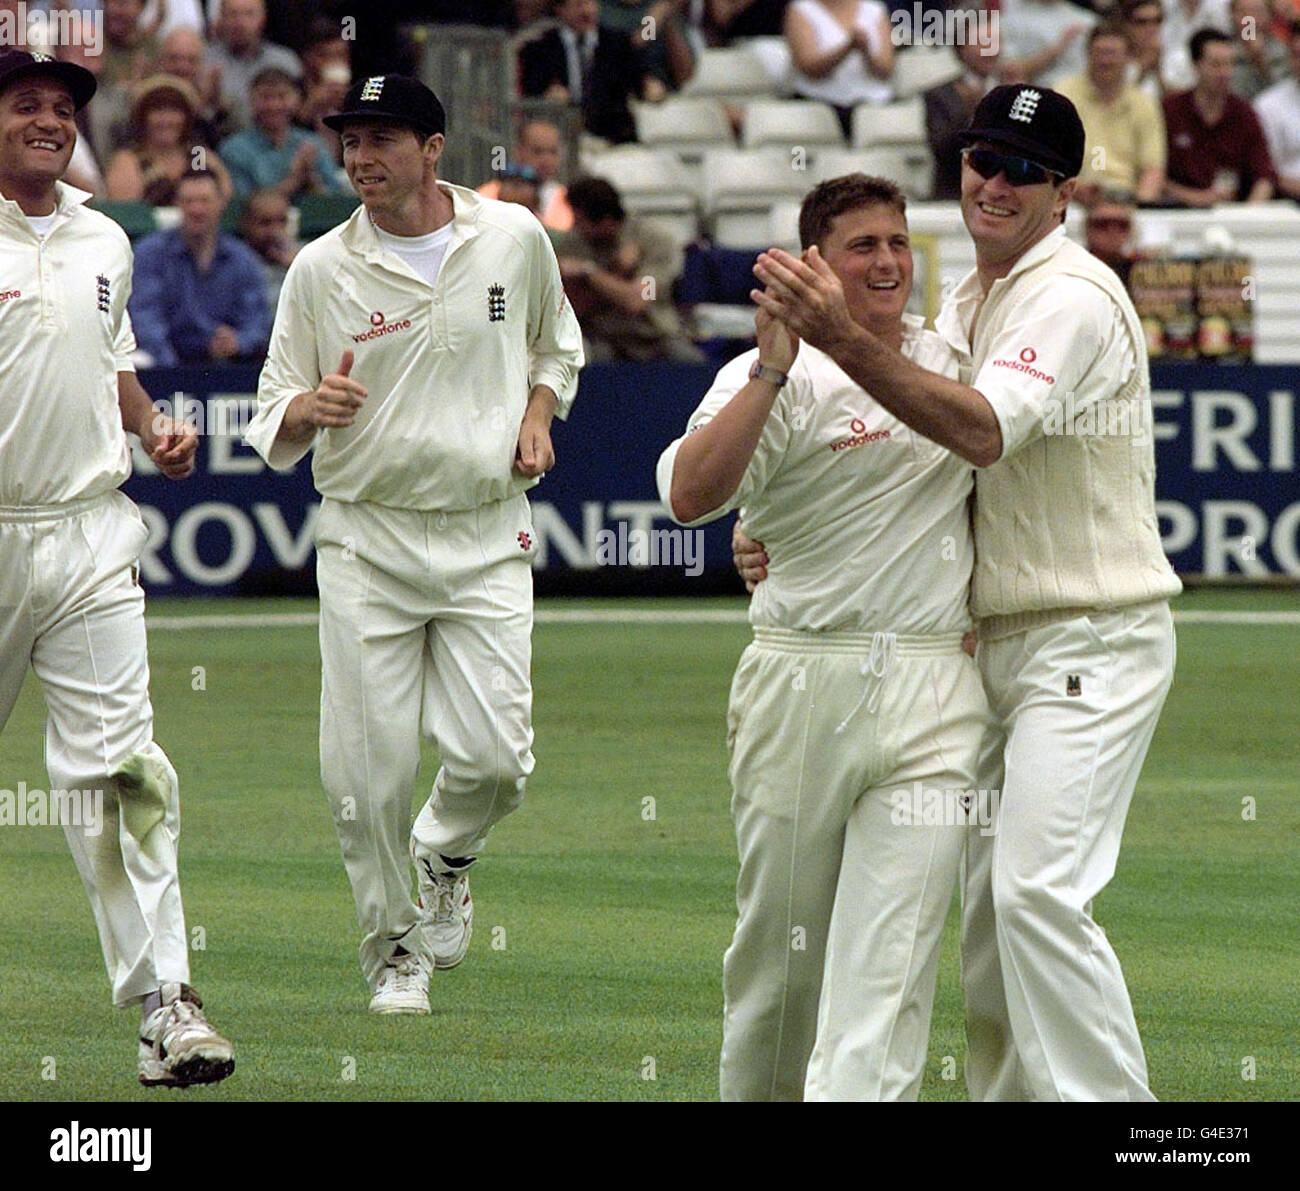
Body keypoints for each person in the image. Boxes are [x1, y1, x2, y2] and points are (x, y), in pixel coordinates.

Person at [750, 83, 1182, 1101]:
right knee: (990, 916)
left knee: (1035, 894)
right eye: (982, 160)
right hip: (993, 643)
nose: (994, 183)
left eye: (1022, 170)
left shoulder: (1068, 295)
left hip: (1090, 636)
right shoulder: (971, 300)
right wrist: (771, 530)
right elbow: (906, 461)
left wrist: (841, 334)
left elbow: (983, 429)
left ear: (1063, 192)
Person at [243, 74, 583, 1016]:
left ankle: (446, 851)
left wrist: (540, 413)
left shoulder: (513, 238)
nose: (360, 158)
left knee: (498, 761)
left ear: (434, 150)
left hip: (485, 528)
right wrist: (311, 407)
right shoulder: (320, 267)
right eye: (351, 142)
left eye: (382, 139)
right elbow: (273, 402)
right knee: (365, 773)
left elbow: (558, 347)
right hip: (366, 537)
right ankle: (394, 947)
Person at [659, 174, 990, 1101]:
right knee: (780, 962)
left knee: (889, 971)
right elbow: (692, 496)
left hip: (933, 686)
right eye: (861, 246)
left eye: (895, 242)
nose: (885, 261)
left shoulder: (956, 353)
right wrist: (770, 366)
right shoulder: (772, 371)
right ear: (815, 263)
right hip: (802, 678)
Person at [0, 48, 233, 1088]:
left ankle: (165, 1008)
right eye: (25, 107)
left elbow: (115, 357)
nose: (49, 121)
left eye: (62, 109)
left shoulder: (106, 237)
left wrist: (154, 432)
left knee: (127, 773)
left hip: (93, 531)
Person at [129, 168, 271, 365]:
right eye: (188, 201)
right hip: (166, 365)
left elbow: (258, 319)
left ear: (221, 203)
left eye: (204, 201)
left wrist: (239, 342)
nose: (196, 210)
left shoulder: (242, 258)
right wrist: (172, 370)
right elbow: (145, 318)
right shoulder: (150, 253)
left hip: (230, 367)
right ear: (177, 204)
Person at [557, 174, 703, 361]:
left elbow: (641, 299)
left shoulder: (654, 239)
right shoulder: (574, 243)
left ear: (605, 221)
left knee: (691, 363)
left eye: (579, 221)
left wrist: (590, 272)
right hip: (602, 336)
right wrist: (618, 273)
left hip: (654, 333)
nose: (574, 227)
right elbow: (574, 307)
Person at [1163, 27, 1276, 204]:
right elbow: (1153, 174)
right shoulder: (1170, 110)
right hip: (1179, 209)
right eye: (1216, 65)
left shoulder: (1244, 113)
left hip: (1233, 212)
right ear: (1195, 66)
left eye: (1230, 64)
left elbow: (1264, 176)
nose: (1225, 73)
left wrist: (1251, 212)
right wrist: (1193, 198)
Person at [1058, 22, 1167, 204]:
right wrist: (1071, 189)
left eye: (1113, 54)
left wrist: (1141, 205)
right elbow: (1050, 160)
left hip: (1126, 203)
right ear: (1088, 55)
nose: (1106, 60)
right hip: (1071, 200)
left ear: (1129, 57)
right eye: (1100, 53)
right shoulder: (1064, 95)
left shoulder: (1144, 104)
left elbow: (1153, 169)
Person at [517, 0, 655, 144]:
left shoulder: (618, 43)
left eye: (591, 3)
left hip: (613, 141)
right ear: (560, 9)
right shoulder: (538, 49)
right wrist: (548, 99)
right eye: (579, 4)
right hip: (561, 140)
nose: (587, 12)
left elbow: (640, 84)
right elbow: (530, 98)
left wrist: (649, 86)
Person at [218, 66, 347, 201]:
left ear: (297, 100)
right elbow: (243, 205)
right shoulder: (233, 149)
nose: (274, 106)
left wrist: (310, 178)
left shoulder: (313, 143)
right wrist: (294, 180)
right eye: (266, 97)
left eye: (282, 96)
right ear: (251, 102)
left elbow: (335, 198)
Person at [104, 75, 233, 205]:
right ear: (143, 118)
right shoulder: (129, 160)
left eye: (175, 111)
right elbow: (125, 215)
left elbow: (224, 202)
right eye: (158, 111)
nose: (167, 120)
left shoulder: (198, 155)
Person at [783, 0, 894, 136]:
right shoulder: (801, 8)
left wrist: (866, 51)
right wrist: (847, 48)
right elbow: (808, 68)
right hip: (820, 106)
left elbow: (886, 69)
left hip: (873, 106)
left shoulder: (875, 9)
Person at [207, 0, 303, 133]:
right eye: (233, 14)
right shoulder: (206, 61)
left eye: (249, 14)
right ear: (221, 18)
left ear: (263, 18)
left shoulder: (285, 61)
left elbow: (299, 114)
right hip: (222, 139)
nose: (240, 22)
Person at [477, 117, 573, 232]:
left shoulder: (566, 198)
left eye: (553, 152)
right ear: (518, 151)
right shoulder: (487, 195)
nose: (546, 160)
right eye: (538, 151)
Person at [1254, 20, 1300, 199]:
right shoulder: (1268, 105)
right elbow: (1267, 171)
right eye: (1297, 55)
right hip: (1287, 201)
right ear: (1289, 57)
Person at [238, 186, 300, 312]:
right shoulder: (234, 263)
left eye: (282, 221)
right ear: (246, 224)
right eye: (265, 223)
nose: (275, 231)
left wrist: (297, 265)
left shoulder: (305, 257)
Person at [1084, 191, 1142, 284]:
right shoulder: (1070, 267)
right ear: (1086, 228)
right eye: (1102, 224)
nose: (1112, 231)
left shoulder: (1140, 268)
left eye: (1122, 225)